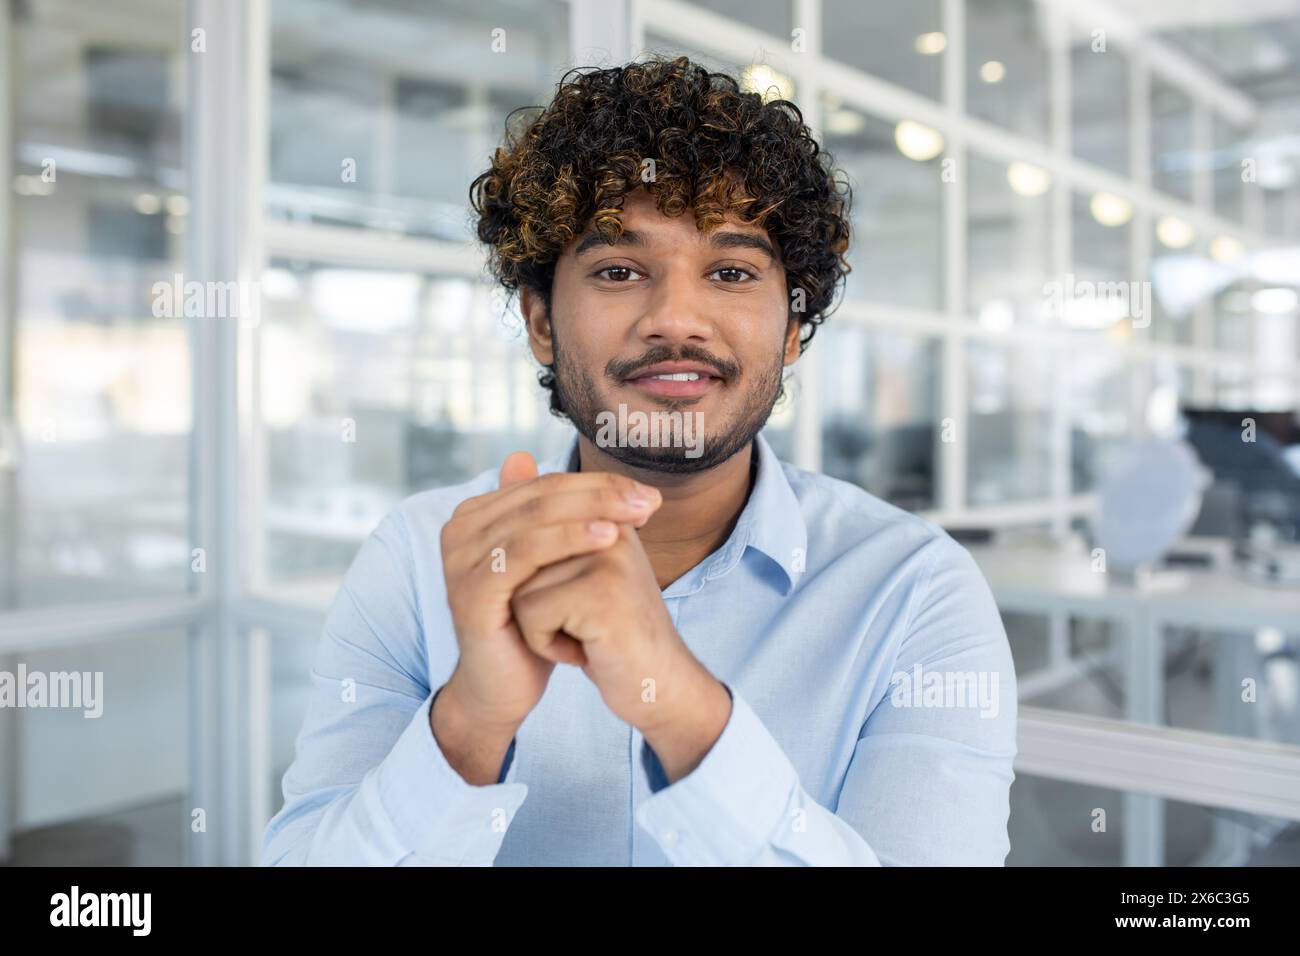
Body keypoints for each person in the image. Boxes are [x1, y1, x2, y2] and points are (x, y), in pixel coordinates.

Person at [261, 55, 1017, 866]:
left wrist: (686, 712)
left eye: (730, 272)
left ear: (795, 327)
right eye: (619, 271)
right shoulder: (418, 556)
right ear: (542, 322)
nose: (676, 320)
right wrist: (470, 722)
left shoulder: (916, 592)